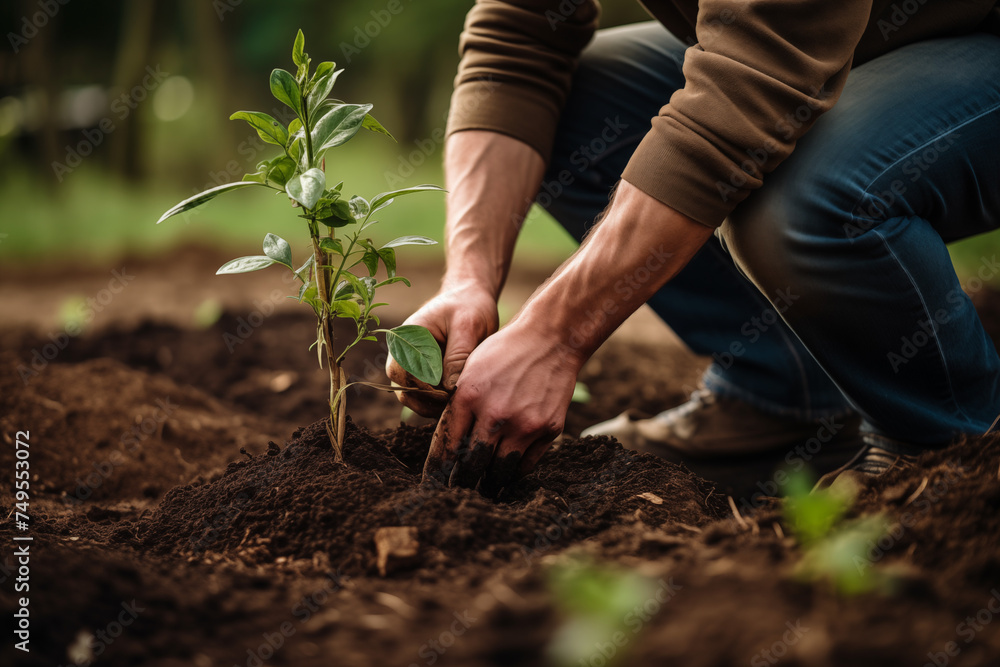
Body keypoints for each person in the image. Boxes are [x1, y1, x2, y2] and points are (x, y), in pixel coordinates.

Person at [386, 0, 1000, 497]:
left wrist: (555, 335)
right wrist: (468, 280)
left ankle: (943, 460)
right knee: (574, 102)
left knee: (806, 198)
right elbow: (517, 40)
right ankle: (785, 400)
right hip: (845, 40)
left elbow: (751, 86)